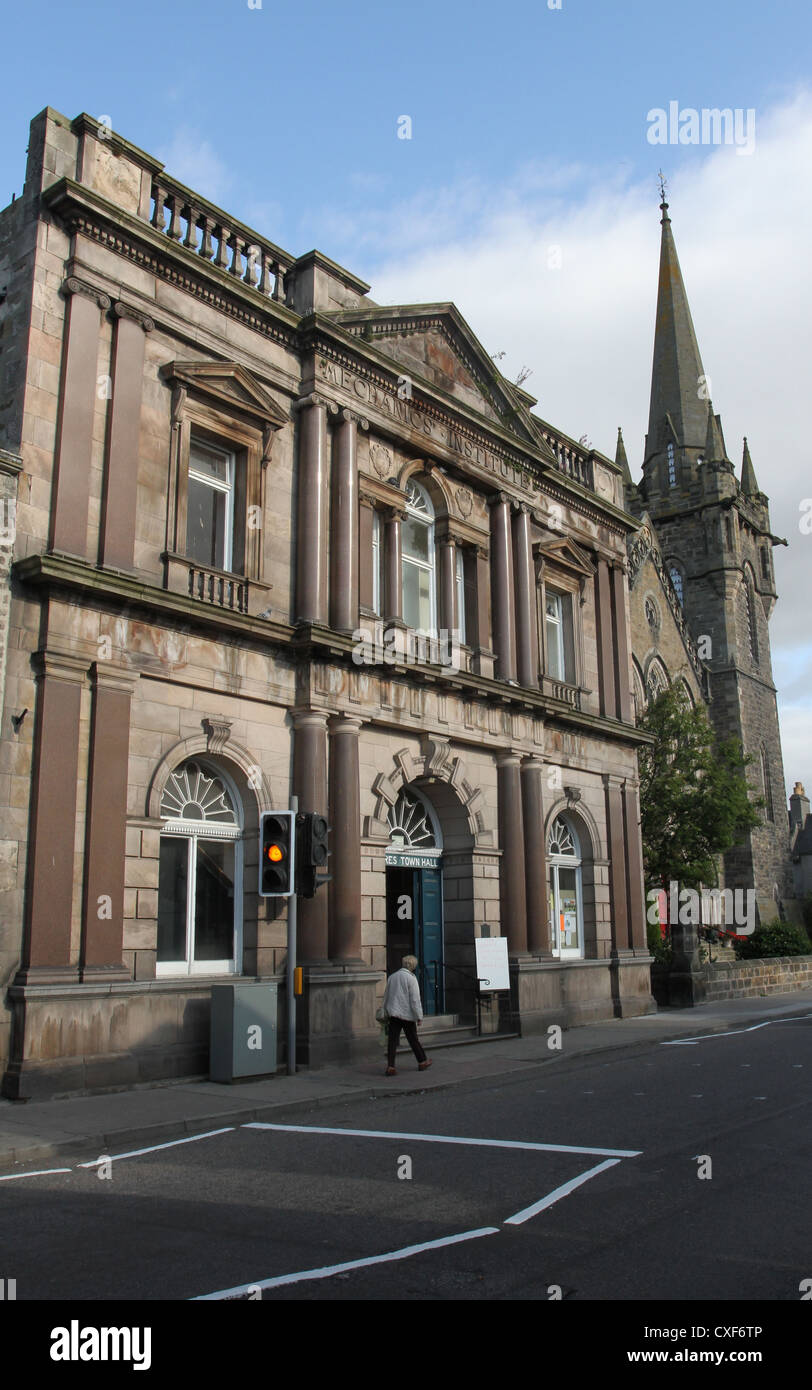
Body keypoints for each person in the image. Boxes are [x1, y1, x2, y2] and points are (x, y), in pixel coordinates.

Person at [381, 954, 432, 1077]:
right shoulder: (411, 978)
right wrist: (419, 1016)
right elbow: (415, 999)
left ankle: (391, 1066)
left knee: (392, 1041)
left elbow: (386, 995)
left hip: (394, 1013)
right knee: (413, 1039)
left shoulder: (392, 977)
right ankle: (422, 1061)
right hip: (407, 1015)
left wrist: (385, 1009)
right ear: (413, 966)